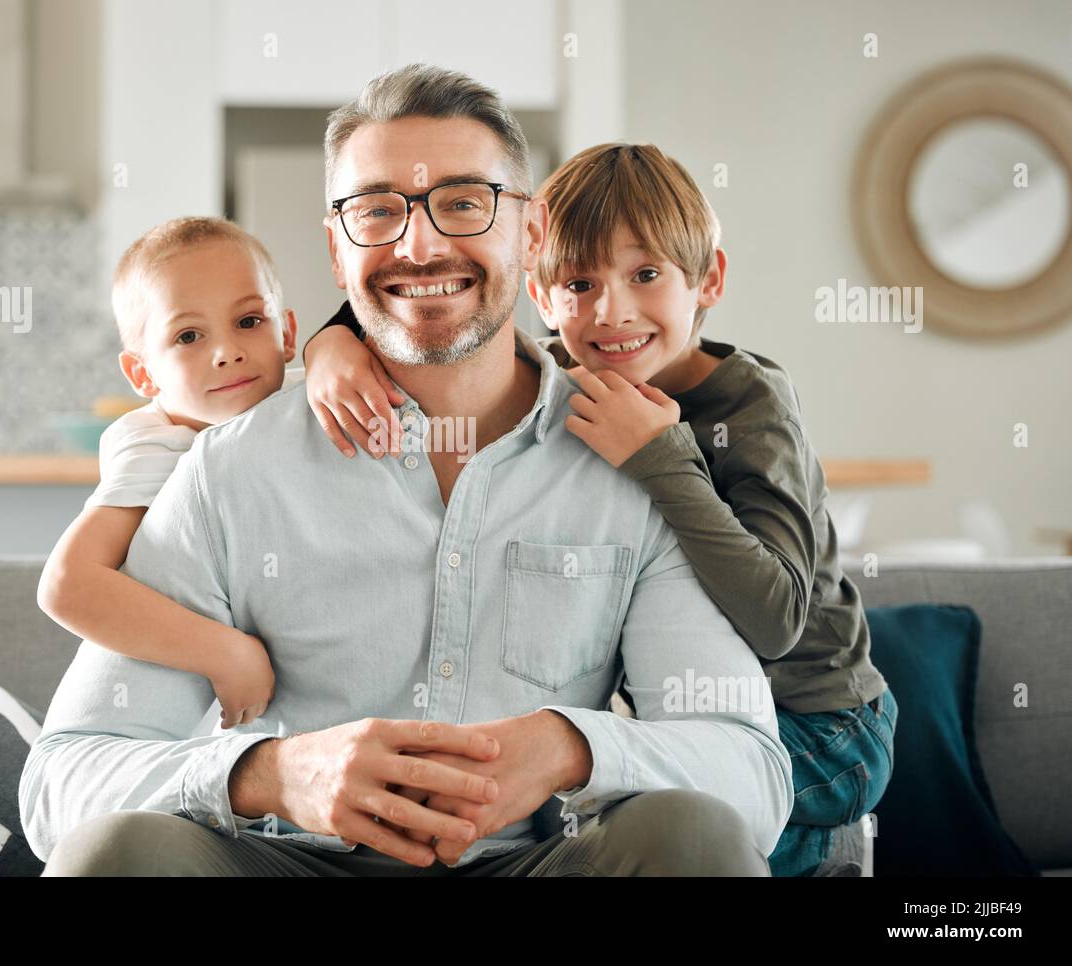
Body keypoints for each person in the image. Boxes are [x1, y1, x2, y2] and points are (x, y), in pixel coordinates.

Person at [20, 63, 791, 877]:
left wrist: (573, 747)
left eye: (464, 203)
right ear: (335, 247)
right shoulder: (230, 471)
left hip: (530, 865)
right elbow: (60, 784)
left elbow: (751, 775)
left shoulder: (634, 462)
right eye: (377, 211)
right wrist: (269, 774)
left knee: (693, 840)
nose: (419, 246)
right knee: (117, 853)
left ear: (530, 236)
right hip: (291, 862)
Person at [304, 141, 895, 876]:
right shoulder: (562, 376)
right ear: (540, 295)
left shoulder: (751, 407)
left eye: (645, 275)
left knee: (663, 818)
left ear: (707, 278)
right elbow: (439, 327)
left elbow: (776, 620)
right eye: (579, 283)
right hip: (665, 709)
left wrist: (661, 458)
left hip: (818, 725)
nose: (610, 312)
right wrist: (332, 342)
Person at [36, 217, 297, 730]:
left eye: (249, 322)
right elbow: (68, 585)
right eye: (189, 335)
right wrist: (226, 655)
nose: (228, 352)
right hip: (190, 718)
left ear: (286, 333)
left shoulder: (293, 402)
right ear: (142, 373)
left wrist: (338, 346)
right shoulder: (160, 448)